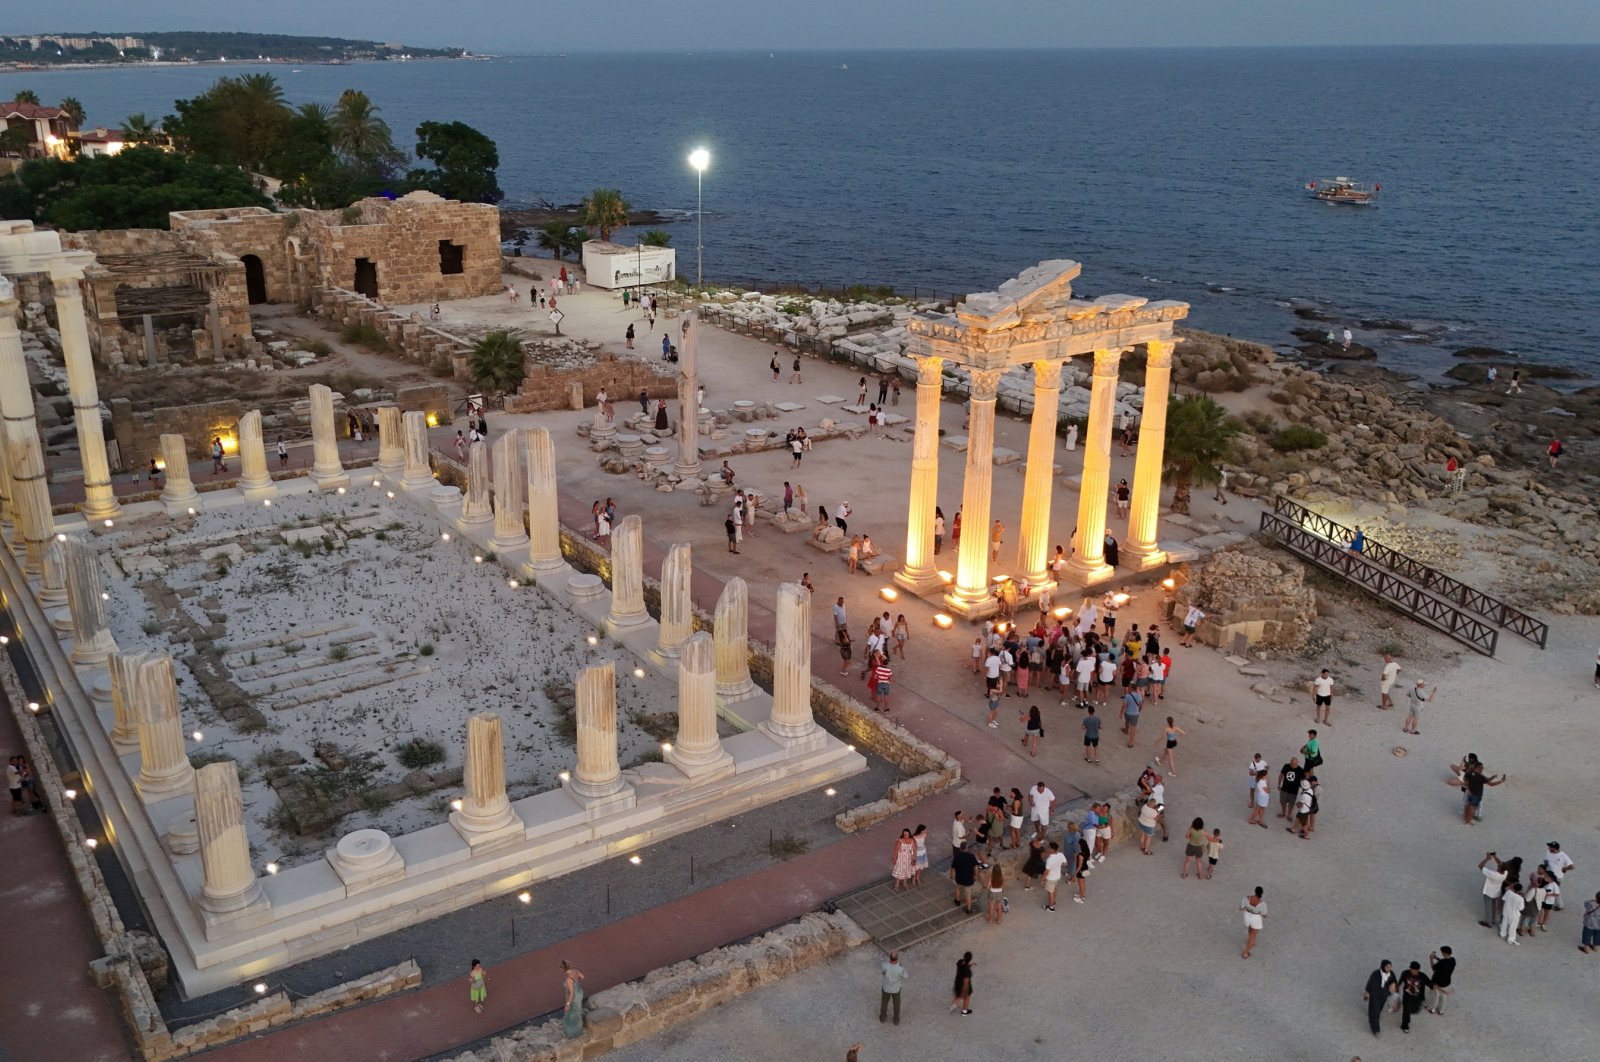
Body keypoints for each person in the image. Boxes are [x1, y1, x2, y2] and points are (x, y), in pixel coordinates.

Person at [1363, 960, 1397, 1037]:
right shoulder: (1376, 974)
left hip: (1384, 994)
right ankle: (1375, 1029)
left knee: (1379, 1008)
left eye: (1390, 966)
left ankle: (1373, 1015)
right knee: (1374, 1010)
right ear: (1383, 966)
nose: (1389, 968)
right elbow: (1370, 982)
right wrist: (1367, 992)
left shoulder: (1391, 974)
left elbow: (1394, 983)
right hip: (1375, 993)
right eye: (1387, 966)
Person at [879, 950, 908, 1025]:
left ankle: (883, 1017)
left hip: (886, 988)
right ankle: (896, 1020)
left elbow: (883, 972)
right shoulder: (900, 968)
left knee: (884, 1003)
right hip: (896, 989)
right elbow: (906, 976)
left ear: (890, 958)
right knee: (897, 1004)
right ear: (897, 958)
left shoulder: (884, 965)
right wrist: (900, 965)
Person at [949, 843, 980, 913]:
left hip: (959, 878)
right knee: (968, 894)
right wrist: (975, 875)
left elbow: (953, 867)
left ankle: (957, 901)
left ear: (960, 849)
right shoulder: (971, 856)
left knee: (958, 888)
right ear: (967, 848)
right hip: (969, 879)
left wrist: (951, 874)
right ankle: (969, 910)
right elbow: (976, 867)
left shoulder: (957, 856)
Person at [1426, 946, 1455, 1015]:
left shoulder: (1442, 962)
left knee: (1435, 996)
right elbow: (1444, 962)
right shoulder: (1453, 960)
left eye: (1442, 952)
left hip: (1437, 982)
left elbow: (1433, 968)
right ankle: (1441, 1010)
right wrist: (1436, 958)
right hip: (1446, 981)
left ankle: (1432, 1008)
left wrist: (1431, 959)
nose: (1441, 953)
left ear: (1444, 953)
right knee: (1443, 996)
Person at [1239, 886, 1267, 959]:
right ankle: (1246, 952)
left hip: (1247, 915)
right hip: (1256, 918)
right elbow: (1264, 914)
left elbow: (1241, 908)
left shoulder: (1247, 898)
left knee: (1249, 928)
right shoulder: (1262, 903)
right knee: (1253, 936)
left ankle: (1249, 940)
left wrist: (1249, 907)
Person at [561, 960, 585, 1038]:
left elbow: (571, 993)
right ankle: (579, 1027)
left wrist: (568, 1004)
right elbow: (583, 977)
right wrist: (576, 984)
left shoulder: (569, 979)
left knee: (572, 1012)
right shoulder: (576, 971)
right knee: (578, 1009)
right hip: (579, 992)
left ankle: (573, 1032)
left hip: (573, 997)